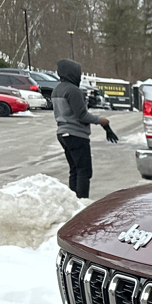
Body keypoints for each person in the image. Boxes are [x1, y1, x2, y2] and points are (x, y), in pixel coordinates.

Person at [51, 59, 118, 199]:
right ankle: (81, 203)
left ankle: (73, 201)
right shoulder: (73, 90)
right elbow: (81, 115)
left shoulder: (57, 89)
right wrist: (101, 121)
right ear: (72, 73)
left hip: (63, 133)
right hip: (76, 135)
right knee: (84, 171)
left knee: (75, 170)